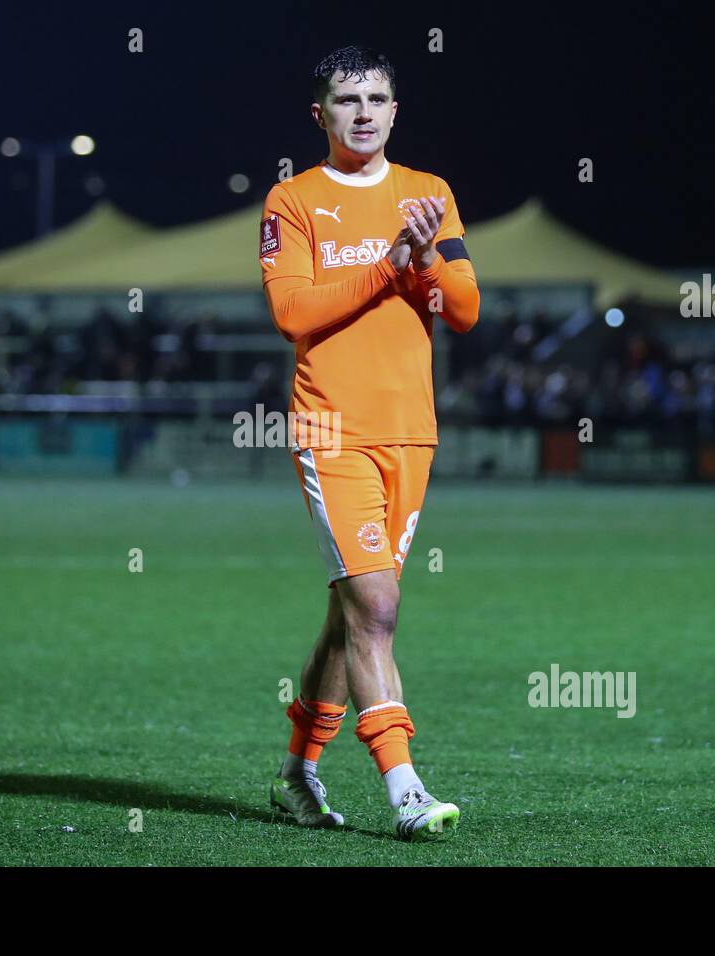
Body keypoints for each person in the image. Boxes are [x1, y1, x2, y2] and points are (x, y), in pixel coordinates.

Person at [260, 47, 479, 839]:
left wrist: (421, 255)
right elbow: (295, 314)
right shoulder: (293, 200)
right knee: (378, 605)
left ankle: (295, 772)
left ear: (395, 109)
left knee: (351, 612)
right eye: (346, 99)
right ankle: (405, 787)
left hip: (410, 430)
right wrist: (388, 266)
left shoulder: (429, 195)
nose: (363, 111)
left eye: (377, 97)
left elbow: (464, 311)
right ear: (318, 114)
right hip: (329, 428)